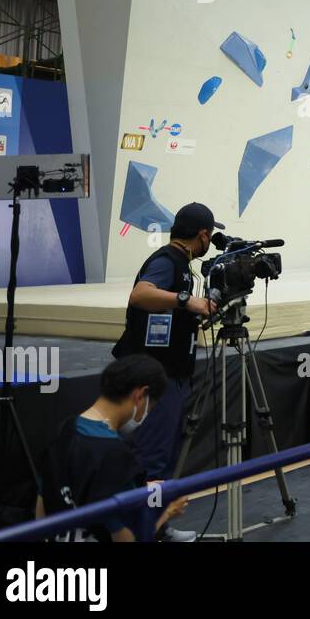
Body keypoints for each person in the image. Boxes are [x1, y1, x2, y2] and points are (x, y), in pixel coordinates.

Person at [111, 202, 221, 487]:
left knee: (163, 455)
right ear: (203, 236)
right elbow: (140, 294)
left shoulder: (180, 263)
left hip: (169, 373)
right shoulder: (166, 260)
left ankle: (159, 525)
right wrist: (186, 300)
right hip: (156, 376)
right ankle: (146, 529)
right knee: (152, 458)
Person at [37, 354, 191, 542]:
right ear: (140, 395)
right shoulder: (115, 455)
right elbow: (127, 539)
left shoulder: (61, 431)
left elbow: (41, 506)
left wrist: (145, 490)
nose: (146, 416)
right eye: (150, 409)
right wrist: (167, 511)